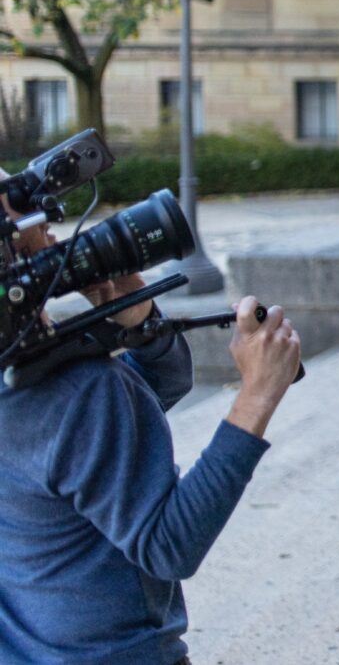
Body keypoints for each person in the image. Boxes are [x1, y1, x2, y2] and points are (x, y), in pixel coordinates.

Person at [0, 176, 303, 665]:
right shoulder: (80, 392)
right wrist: (257, 396)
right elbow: (169, 546)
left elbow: (145, 401)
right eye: (32, 229)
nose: (55, 238)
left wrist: (142, 323)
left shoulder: (28, 380)